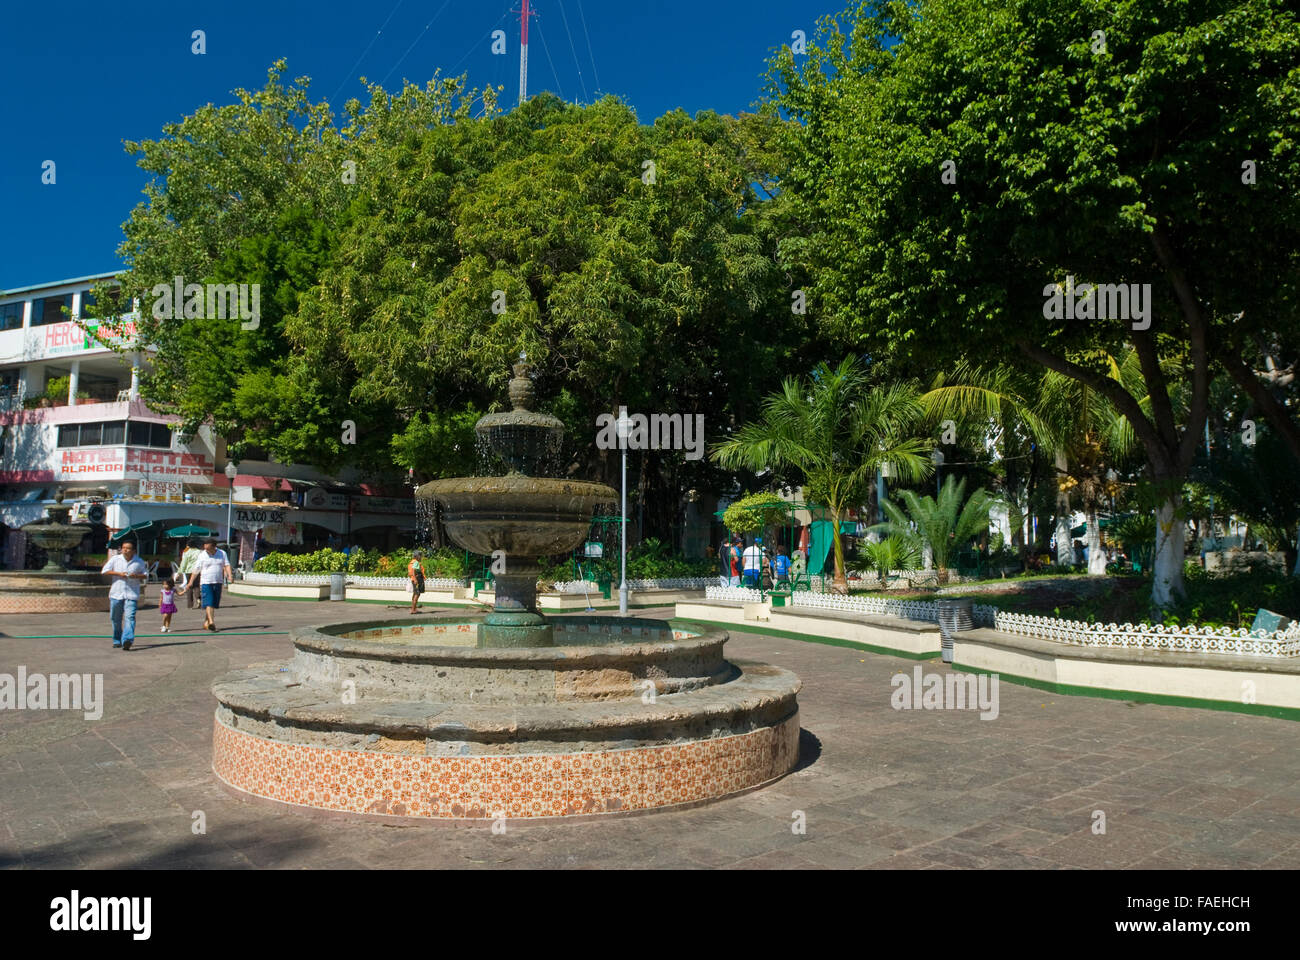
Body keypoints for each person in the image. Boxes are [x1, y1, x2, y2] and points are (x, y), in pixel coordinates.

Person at [101, 540, 148, 651]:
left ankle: (127, 639)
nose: (125, 550)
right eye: (123, 548)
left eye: (128, 548)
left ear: (133, 551)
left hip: (131, 594)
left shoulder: (139, 561)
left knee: (130, 617)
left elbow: (145, 575)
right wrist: (119, 574)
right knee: (115, 618)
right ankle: (117, 639)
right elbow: (105, 571)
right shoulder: (115, 559)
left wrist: (136, 576)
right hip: (116, 593)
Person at [185, 537, 232, 632]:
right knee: (209, 602)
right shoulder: (202, 555)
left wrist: (230, 575)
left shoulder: (222, 553)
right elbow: (196, 569)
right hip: (206, 582)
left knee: (213, 603)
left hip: (218, 581)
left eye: (208, 548)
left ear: (214, 547)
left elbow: (226, 564)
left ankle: (206, 623)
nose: (206, 550)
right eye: (205, 548)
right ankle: (211, 622)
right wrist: (190, 582)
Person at [177, 539, 201, 609]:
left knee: (189, 587)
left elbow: (184, 563)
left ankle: (190, 605)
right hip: (197, 571)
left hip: (189, 571)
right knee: (196, 586)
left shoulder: (187, 552)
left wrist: (180, 572)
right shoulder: (199, 552)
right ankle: (198, 598)